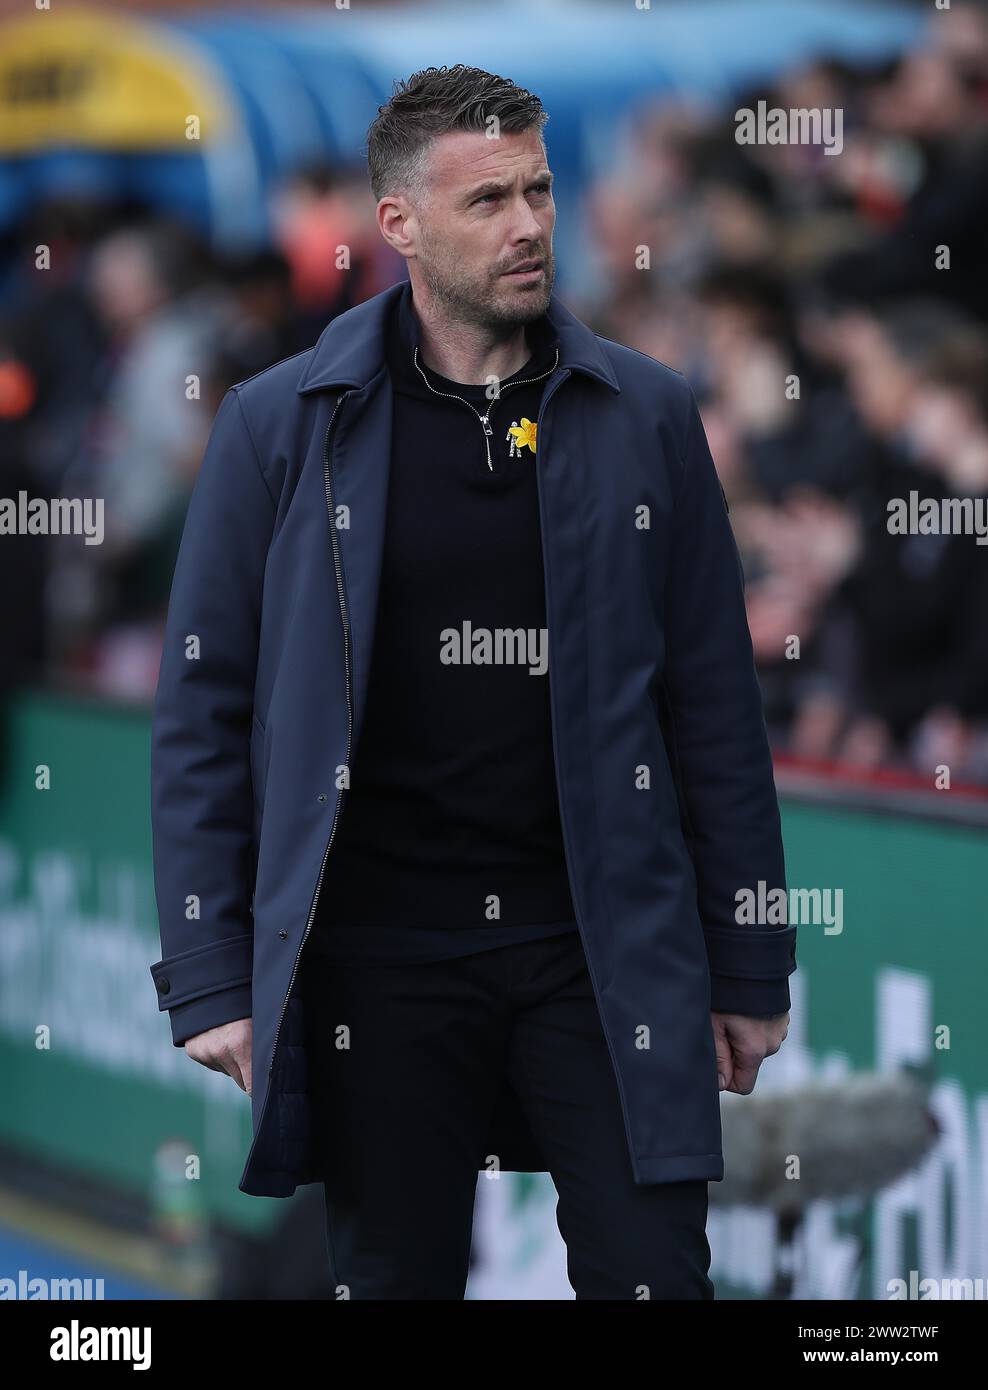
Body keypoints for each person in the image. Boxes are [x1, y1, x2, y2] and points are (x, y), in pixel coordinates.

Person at [149, 65, 796, 1300]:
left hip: (604, 947)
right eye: (488, 199)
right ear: (397, 225)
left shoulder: (647, 413)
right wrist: (210, 969)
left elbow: (715, 703)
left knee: (656, 1275)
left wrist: (751, 962)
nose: (528, 226)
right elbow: (203, 712)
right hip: (375, 956)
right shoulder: (281, 423)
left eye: (542, 191)